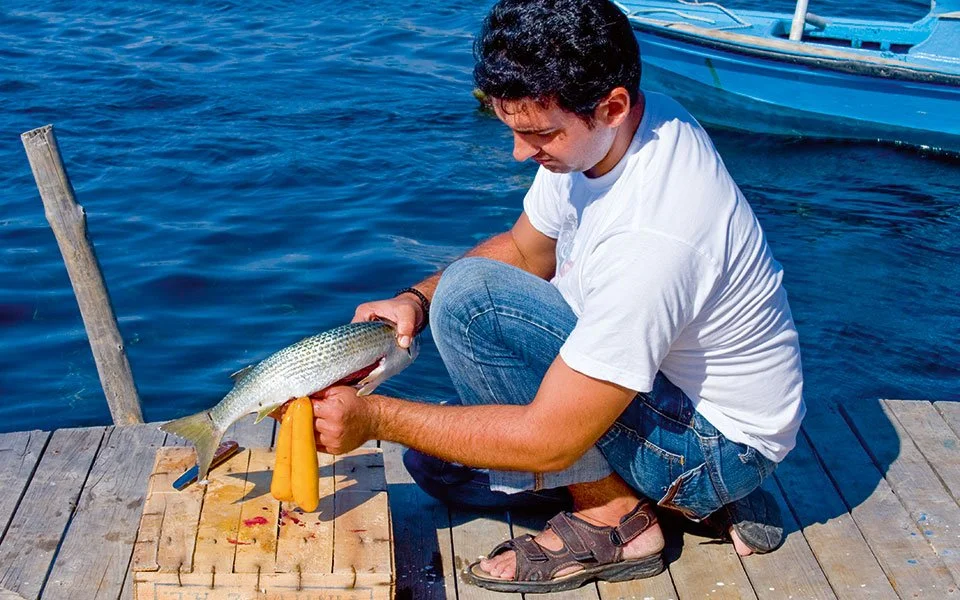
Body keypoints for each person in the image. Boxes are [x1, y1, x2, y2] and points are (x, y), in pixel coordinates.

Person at [307, 0, 805, 593]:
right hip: (687, 398)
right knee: (437, 452)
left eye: (539, 134)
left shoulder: (656, 235)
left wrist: (376, 418)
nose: (521, 153)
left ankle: (615, 520)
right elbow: (523, 252)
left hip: (711, 447)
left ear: (611, 106)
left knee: (471, 307)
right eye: (513, 129)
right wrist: (415, 298)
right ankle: (673, 498)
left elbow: (551, 438)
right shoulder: (617, 130)